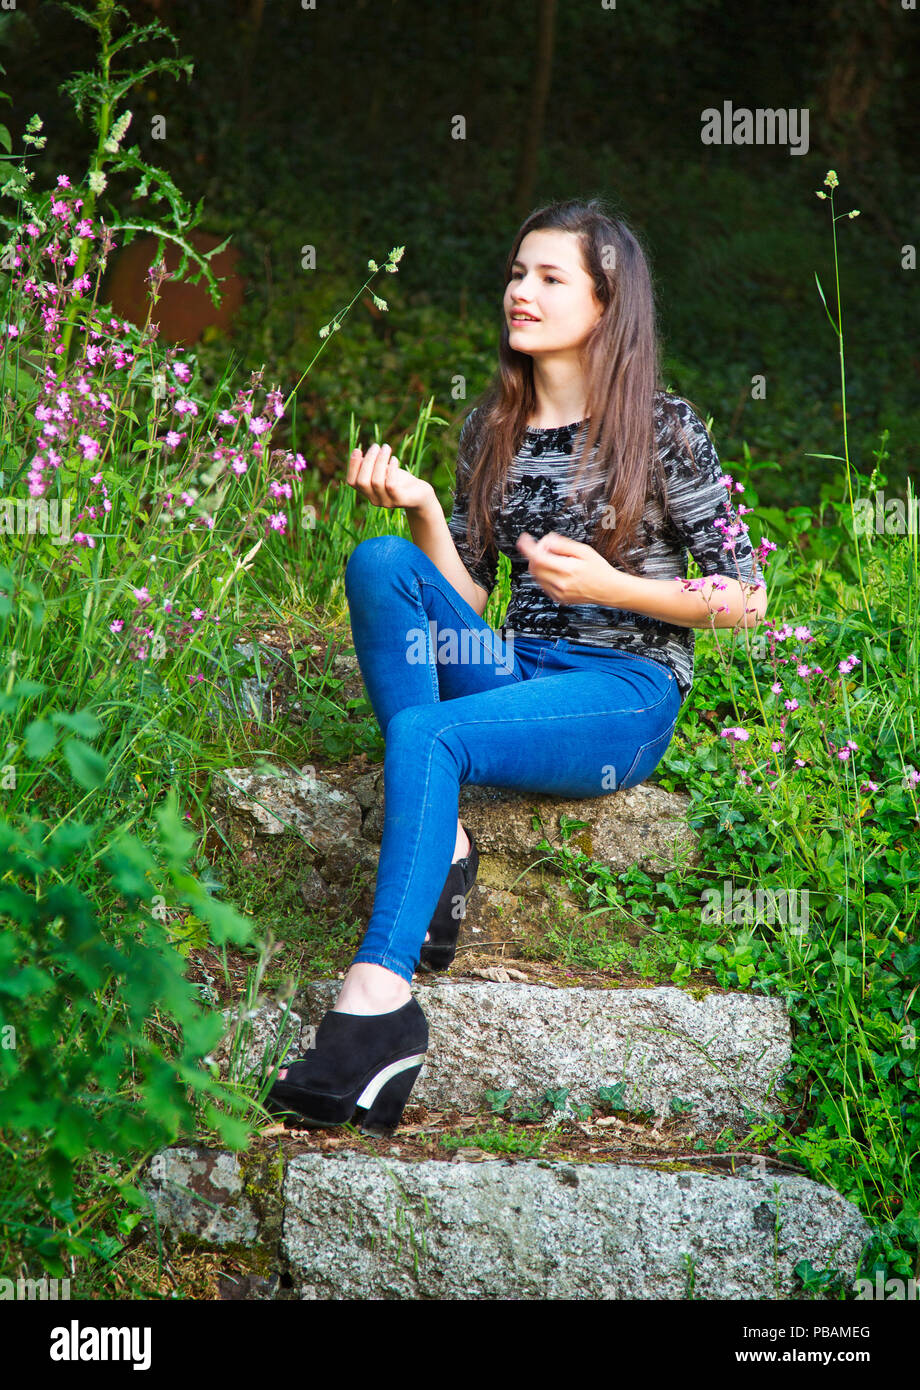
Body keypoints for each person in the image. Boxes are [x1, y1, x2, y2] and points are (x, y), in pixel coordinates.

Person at [266, 196, 768, 1135]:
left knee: (424, 730)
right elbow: (473, 603)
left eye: (549, 277)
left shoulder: (665, 427)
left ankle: (379, 998)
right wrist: (421, 509)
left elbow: (747, 595)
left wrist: (617, 587)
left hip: (621, 691)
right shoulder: (489, 428)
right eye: (515, 273)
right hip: (514, 667)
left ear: (608, 301)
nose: (521, 293)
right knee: (381, 561)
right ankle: (444, 846)